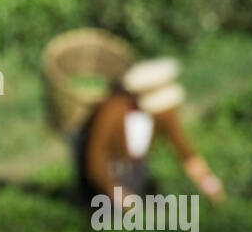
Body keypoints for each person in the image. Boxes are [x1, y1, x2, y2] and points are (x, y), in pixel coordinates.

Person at [74, 57, 225, 209]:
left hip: (135, 170)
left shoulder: (164, 114)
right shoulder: (113, 111)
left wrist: (209, 184)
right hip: (108, 175)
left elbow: (185, 151)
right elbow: (96, 158)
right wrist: (116, 193)